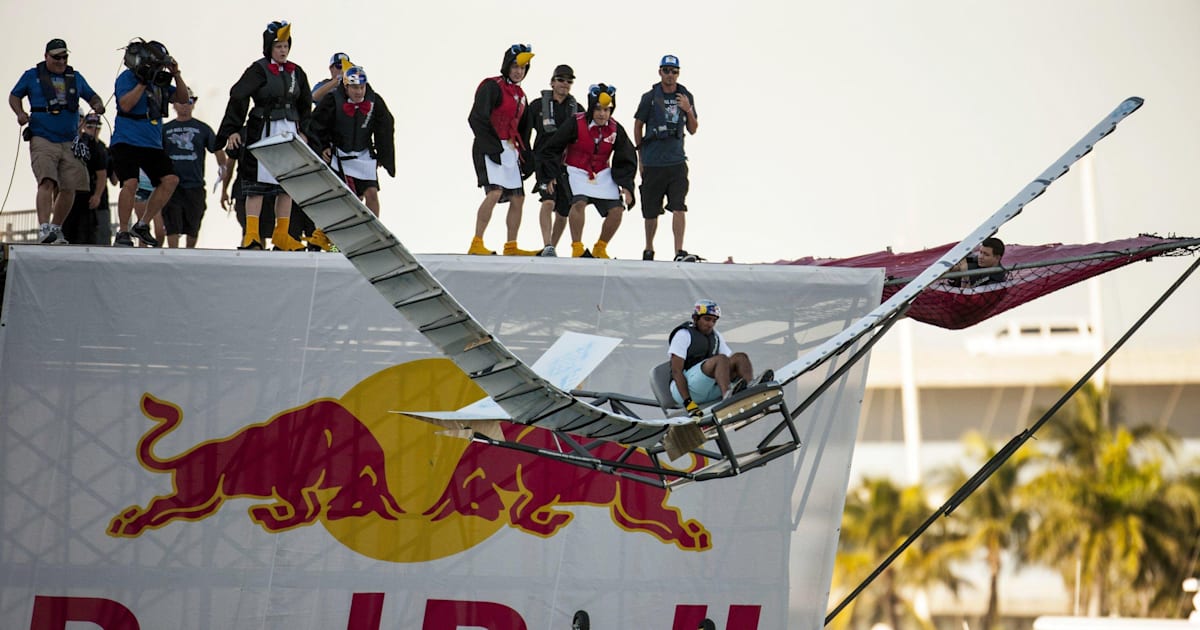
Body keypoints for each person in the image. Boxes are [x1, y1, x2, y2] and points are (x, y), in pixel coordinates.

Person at [217, 20, 312, 251]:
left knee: (286, 185)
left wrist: (305, 132)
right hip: (262, 131)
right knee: (256, 184)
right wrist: (232, 130)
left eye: (286, 46)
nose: (283, 50)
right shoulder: (258, 69)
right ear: (269, 47)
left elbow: (305, 104)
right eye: (278, 46)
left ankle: (282, 235)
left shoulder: (296, 72)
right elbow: (238, 96)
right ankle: (252, 234)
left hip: (289, 132)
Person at [9, 38, 106, 244]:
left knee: (69, 186)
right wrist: (20, 113)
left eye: (64, 57)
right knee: (46, 180)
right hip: (42, 136)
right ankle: (44, 227)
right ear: (46, 56)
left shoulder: (75, 77)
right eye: (56, 57)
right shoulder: (32, 75)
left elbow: (92, 96)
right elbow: (14, 96)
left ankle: (56, 228)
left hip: (70, 140)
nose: (61, 61)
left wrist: (98, 104)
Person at [535, 83, 636, 259]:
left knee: (617, 209)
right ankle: (577, 246)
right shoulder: (576, 122)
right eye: (598, 109)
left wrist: (626, 185)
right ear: (591, 108)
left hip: (602, 172)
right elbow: (552, 147)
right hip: (575, 170)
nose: (602, 114)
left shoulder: (615, 129)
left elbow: (626, 157)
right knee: (579, 203)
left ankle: (600, 247)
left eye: (606, 109)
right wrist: (550, 174)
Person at [109, 38, 190, 248]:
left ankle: (143, 224)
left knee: (170, 179)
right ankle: (123, 231)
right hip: (126, 140)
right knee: (131, 183)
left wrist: (175, 74)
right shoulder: (127, 78)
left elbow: (182, 99)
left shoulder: (160, 81)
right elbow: (125, 105)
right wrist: (143, 83)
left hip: (151, 143)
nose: (158, 69)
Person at [467, 44, 537, 256]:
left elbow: (524, 129)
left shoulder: (521, 95)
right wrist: (492, 147)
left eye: (523, 67)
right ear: (507, 65)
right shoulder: (492, 86)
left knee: (518, 197)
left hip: (509, 149)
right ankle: (477, 242)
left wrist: (526, 156)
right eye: (515, 66)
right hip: (490, 146)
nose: (519, 71)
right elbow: (476, 118)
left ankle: (511, 245)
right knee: (495, 191)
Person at [633, 54, 699, 262]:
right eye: (666, 70)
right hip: (653, 160)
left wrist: (688, 110)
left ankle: (679, 250)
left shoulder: (685, 95)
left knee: (679, 205)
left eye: (674, 71)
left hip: (677, 160)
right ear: (660, 71)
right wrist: (640, 157)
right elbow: (638, 124)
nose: (670, 75)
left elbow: (694, 129)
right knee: (651, 210)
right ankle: (649, 248)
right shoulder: (650, 97)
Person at [306, 64, 394, 217]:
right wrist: (323, 146)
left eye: (362, 87)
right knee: (342, 197)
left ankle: (374, 230)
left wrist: (382, 155)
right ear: (346, 87)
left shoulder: (375, 101)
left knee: (372, 193)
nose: (359, 92)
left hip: (363, 155)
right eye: (354, 88)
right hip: (339, 154)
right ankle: (328, 231)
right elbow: (317, 124)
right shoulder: (332, 100)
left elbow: (385, 128)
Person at [668, 299, 772, 415]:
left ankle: (752, 389)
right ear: (696, 318)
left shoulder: (716, 336)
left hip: (708, 388)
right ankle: (728, 397)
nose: (710, 324)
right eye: (707, 319)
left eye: (714, 321)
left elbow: (730, 362)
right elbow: (676, 371)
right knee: (721, 359)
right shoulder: (683, 334)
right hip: (685, 389)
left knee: (740, 357)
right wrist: (689, 403)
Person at [526, 64, 582, 257]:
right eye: (560, 80)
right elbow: (524, 130)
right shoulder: (537, 105)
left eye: (569, 81)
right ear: (552, 82)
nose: (564, 84)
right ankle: (547, 243)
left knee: (564, 209)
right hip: (543, 159)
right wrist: (526, 159)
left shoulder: (578, 109)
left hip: (566, 163)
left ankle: (551, 248)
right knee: (548, 200)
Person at [162, 87, 226, 248]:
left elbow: (217, 148)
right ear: (174, 104)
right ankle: (173, 256)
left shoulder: (202, 128)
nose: (185, 105)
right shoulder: (165, 129)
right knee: (172, 225)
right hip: (171, 186)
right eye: (181, 102)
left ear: (193, 103)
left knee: (193, 225)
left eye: (189, 101)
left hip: (195, 185)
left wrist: (222, 166)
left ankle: (188, 254)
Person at [61, 112, 109, 245]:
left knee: (88, 234)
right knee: (67, 234)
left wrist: (97, 195)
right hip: (68, 195)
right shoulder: (61, 140)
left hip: (87, 196)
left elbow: (102, 173)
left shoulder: (93, 144)